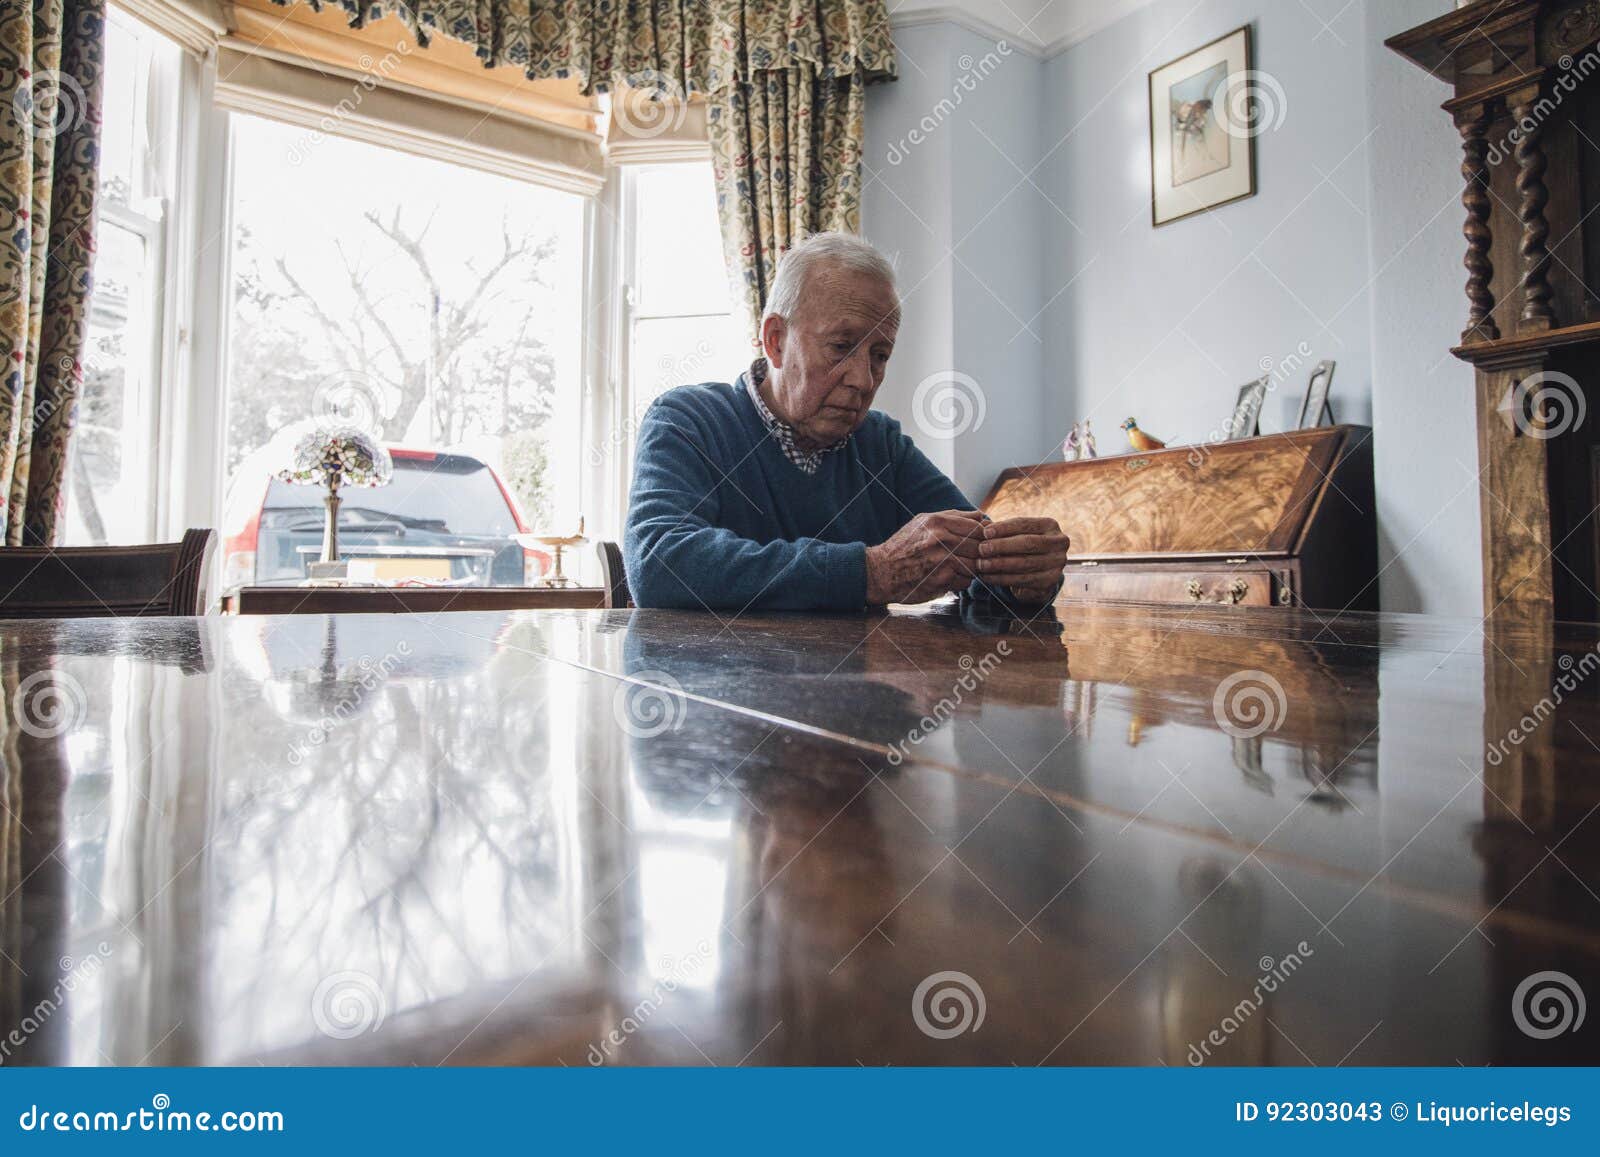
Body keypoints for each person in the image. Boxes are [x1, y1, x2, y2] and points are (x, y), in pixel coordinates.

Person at [623, 232, 1069, 611]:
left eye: (880, 355)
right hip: (720, 687)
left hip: (857, 687)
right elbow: (658, 566)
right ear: (775, 341)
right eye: (841, 347)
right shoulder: (689, 421)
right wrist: (871, 572)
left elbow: (975, 564)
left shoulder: (882, 445)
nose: (863, 379)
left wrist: (1027, 577)